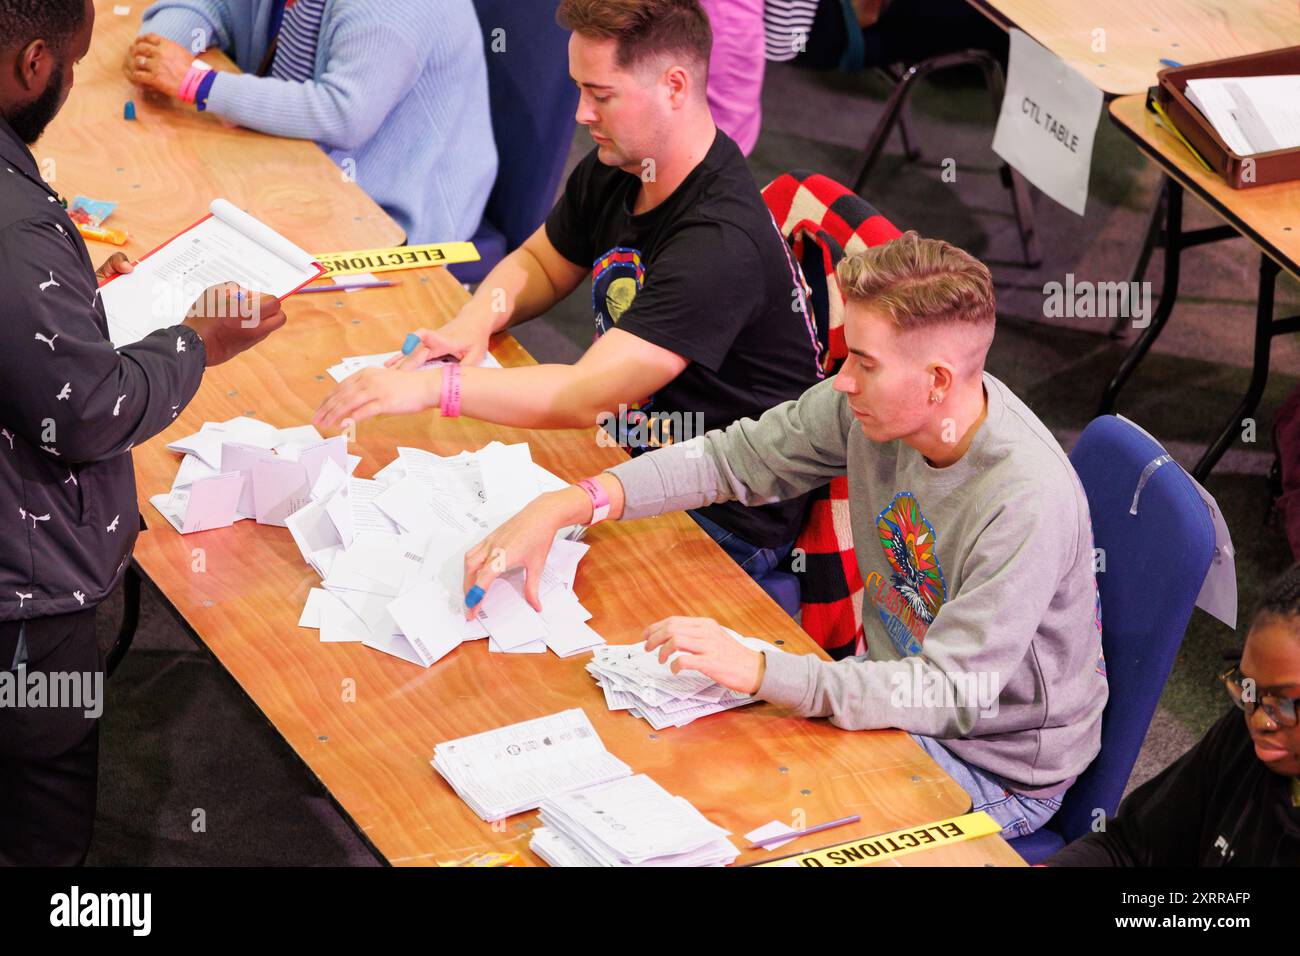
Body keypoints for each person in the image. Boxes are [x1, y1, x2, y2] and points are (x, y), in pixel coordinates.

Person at [458, 233, 1108, 838]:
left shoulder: (1024, 504)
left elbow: (944, 694)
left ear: (937, 381)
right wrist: (581, 499)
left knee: (749, 816)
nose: (843, 378)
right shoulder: (875, 403)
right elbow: (735, 459)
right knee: (694, 761)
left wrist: (766, 671)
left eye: (864, 362)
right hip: (882, 686)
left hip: (990, 763)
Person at [313, 0, 822, 592]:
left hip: (719, 515)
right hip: (630, 455)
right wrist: (476, 320)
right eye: (579, 89)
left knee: (469, 587)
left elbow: (587, 395)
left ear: (674, 86)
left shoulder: (718, 242)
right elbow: (542, 262)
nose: (582, 113)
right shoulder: (626, 162)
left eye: (601, 94)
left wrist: (433, 386)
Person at [0, 0, 286, 866]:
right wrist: (199, 340)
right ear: (35, 63)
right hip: (24, 596)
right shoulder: (14, 227)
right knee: (40, 829)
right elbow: (91, 413)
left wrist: (73, 296)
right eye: (77, 64)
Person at [123, 0, 497, 244]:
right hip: (295, 163)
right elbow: (212, 5)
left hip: (389, 207)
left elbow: (344, 114)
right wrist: (158, 49)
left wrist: (195, 82)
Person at [1051, 566, 1300, 866]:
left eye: (1286, 702)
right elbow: (1129, 847)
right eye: (1249, 689)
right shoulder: (1243, 738)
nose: (1260, 720)